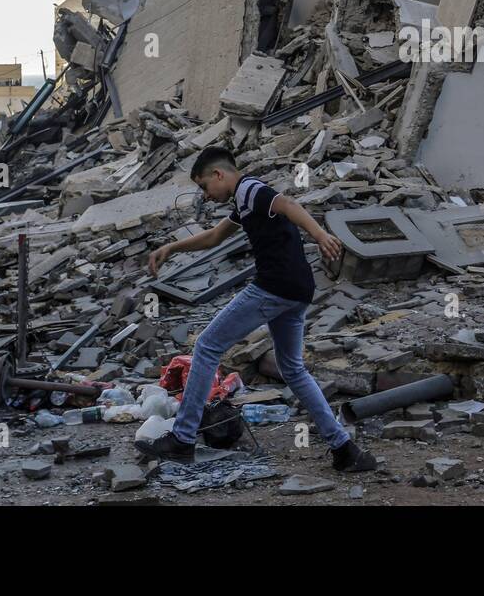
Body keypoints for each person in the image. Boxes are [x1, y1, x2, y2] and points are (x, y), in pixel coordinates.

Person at [134, 145, 377, 472]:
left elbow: (288, 204)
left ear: (219, 174)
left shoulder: (249, 189)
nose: (205, 195)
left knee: (207, 345)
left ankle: (183, 439)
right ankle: (345, 449)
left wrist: (319, 234)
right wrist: (171, 247)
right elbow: (214, 237)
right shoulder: (243, 201)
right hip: (298, 289)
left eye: (204, 186)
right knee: (292, 368)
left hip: (273, 287)